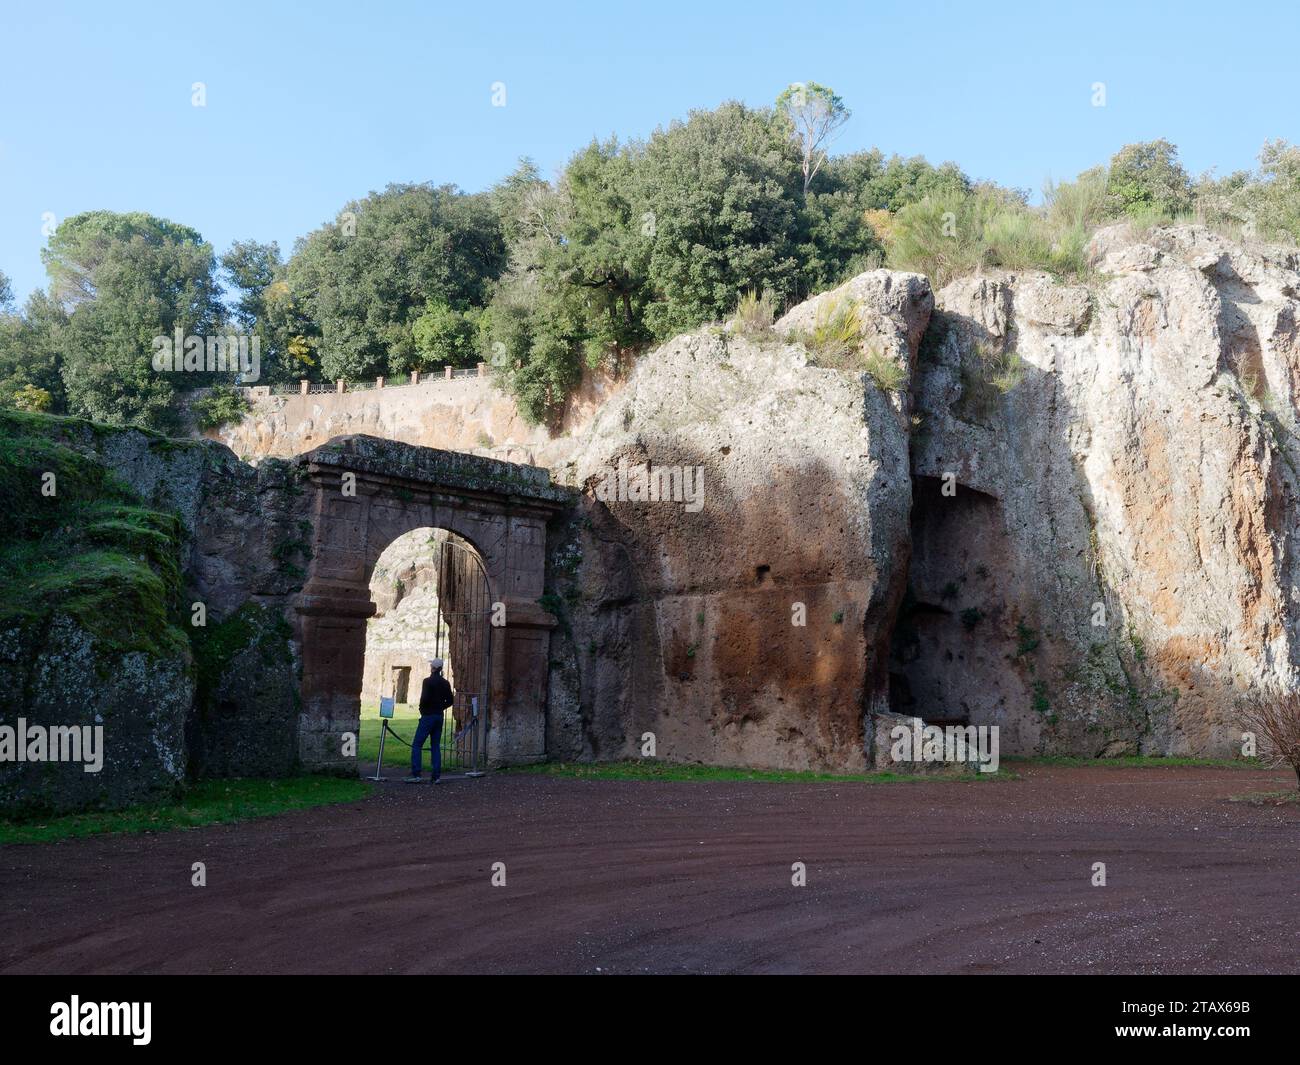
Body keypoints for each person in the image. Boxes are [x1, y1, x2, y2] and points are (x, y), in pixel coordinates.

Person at [405, 658, 454, 784]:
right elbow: (450, 701)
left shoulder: (427, 681)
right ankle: (436, 776)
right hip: (439, 716)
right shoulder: (445, 683)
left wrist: (422, 710)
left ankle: (416, 774)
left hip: (428, 716)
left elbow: (424, 698)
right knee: (435, 746)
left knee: (417, 744)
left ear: (433, 668)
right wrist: (440, 707)